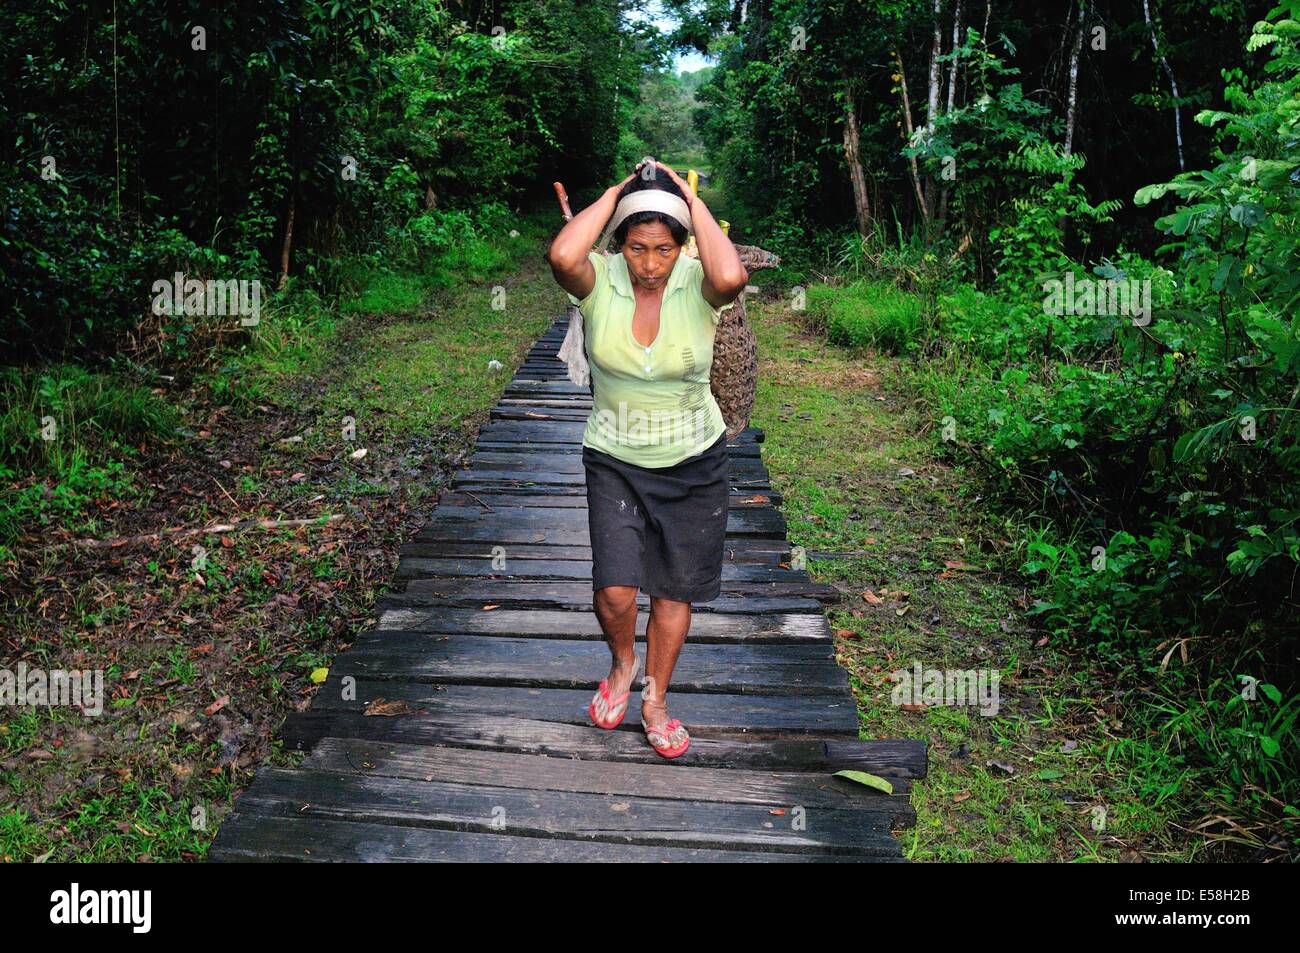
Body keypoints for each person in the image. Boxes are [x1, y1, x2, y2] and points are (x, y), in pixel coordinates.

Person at [545, 160, 748, 758]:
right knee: (613, 591)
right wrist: (616, 192)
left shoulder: (697, 283)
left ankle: (655, 698)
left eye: (664, 249)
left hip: (693, 462)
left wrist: (686, 194)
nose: (651, 265)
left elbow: (732, 273)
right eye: (637, 248)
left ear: (682, 248)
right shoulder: (599, 280)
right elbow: (562, 256)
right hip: (614, 456)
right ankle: (622, 664)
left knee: (673, 593)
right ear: (619, 245)